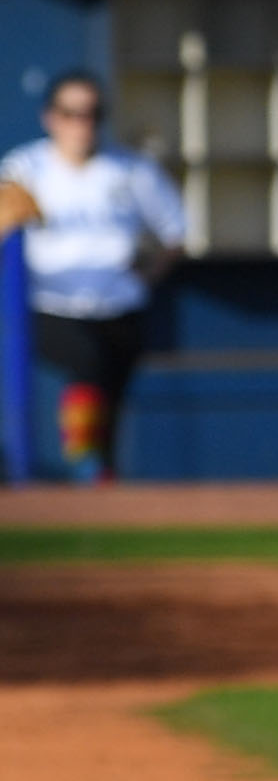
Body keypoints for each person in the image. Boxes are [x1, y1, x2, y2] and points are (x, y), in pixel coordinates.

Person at [0, 70, 183, 480]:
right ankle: (83, 462)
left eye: (92, 114)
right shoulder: (24, 166)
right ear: (50, 117)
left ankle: (101, 497)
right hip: (52, 303)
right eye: (70, 113)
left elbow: (175, 230)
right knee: (86, 364)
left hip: (120, 304)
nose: (82, 124)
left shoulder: (132, 169)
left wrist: (149, 274)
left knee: (112, 405)